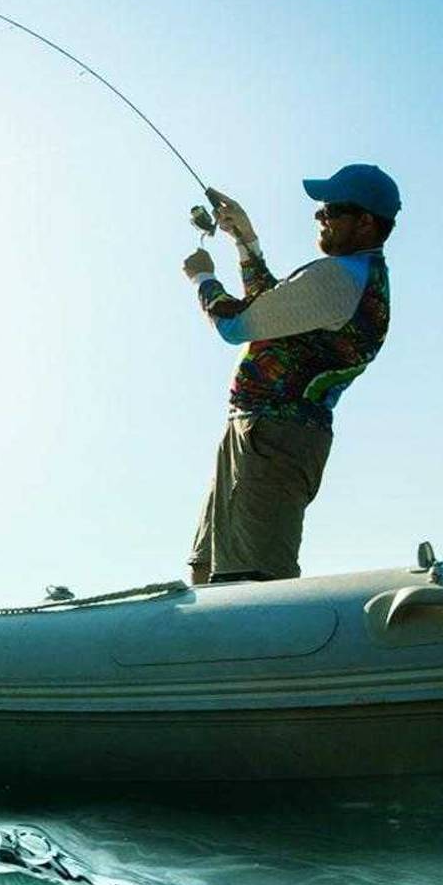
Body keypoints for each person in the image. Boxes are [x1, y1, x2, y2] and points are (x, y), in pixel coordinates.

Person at [181, 163, 397, 585]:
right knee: (206, 571)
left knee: (248, 583)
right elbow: (272, 309)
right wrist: (244, 239)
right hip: (257, 434)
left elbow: (238, 324)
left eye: (331, 210)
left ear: (366, 221)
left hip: (274, 440)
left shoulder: (337, 278)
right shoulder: (351, 276)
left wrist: (202, 277)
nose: (319, 217)